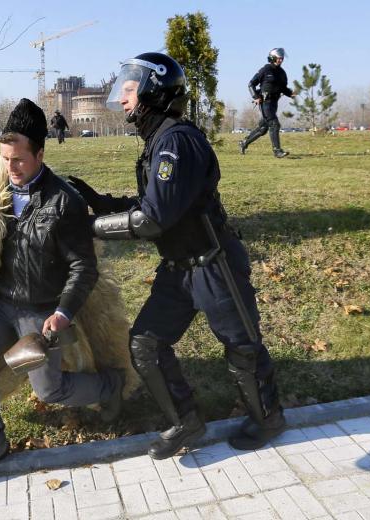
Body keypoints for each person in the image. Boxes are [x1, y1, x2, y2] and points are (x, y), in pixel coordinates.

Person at [68, 53, 286, 460]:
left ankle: (268, 417)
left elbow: (153, 219)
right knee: (145, 345)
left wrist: (91, 227)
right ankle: (184, 419)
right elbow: (152, 202)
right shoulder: (157, 141)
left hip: (214, 264)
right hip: (178, 269)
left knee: (242, 348)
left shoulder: (177, 141)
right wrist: (100, 203)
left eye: (130, 90)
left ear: (153, 90)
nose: (124, 99)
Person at [0, 98, 135, 486]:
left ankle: (112, 385)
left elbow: (84, 267)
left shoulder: (64, 202)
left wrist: (63, 312)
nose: (10, 169)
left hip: (41, 308)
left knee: (51, 389)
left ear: (40, 154)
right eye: (4, 159)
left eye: (18, 160)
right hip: (1, 304)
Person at [239, 48, 294, 158]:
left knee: (263, 129)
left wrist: (291, 93)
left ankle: (244, 143)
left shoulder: (282, 73)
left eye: (282, 58)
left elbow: (283, 89)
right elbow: (251, 84)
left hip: (274, 103)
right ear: (273, 57)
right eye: (279, 58)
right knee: (274, 124)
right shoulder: (265, 69)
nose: (281, 60)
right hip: (265, 102)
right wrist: (255, 97)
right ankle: (277, 151)